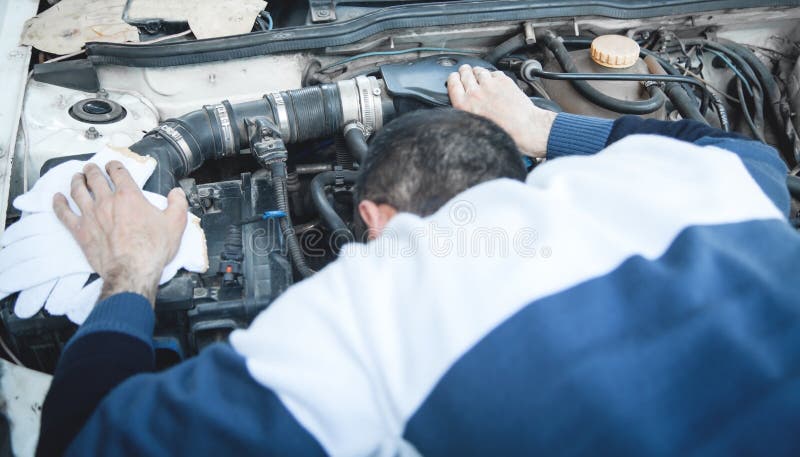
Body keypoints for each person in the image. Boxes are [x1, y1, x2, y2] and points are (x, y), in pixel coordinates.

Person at [37, 65, 799, 456]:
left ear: (372, 220)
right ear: (514, 173)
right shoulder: (696, 182)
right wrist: (540, 124)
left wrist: (129, 273)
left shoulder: (368, 317)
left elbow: (85, 444)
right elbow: (739, 147)